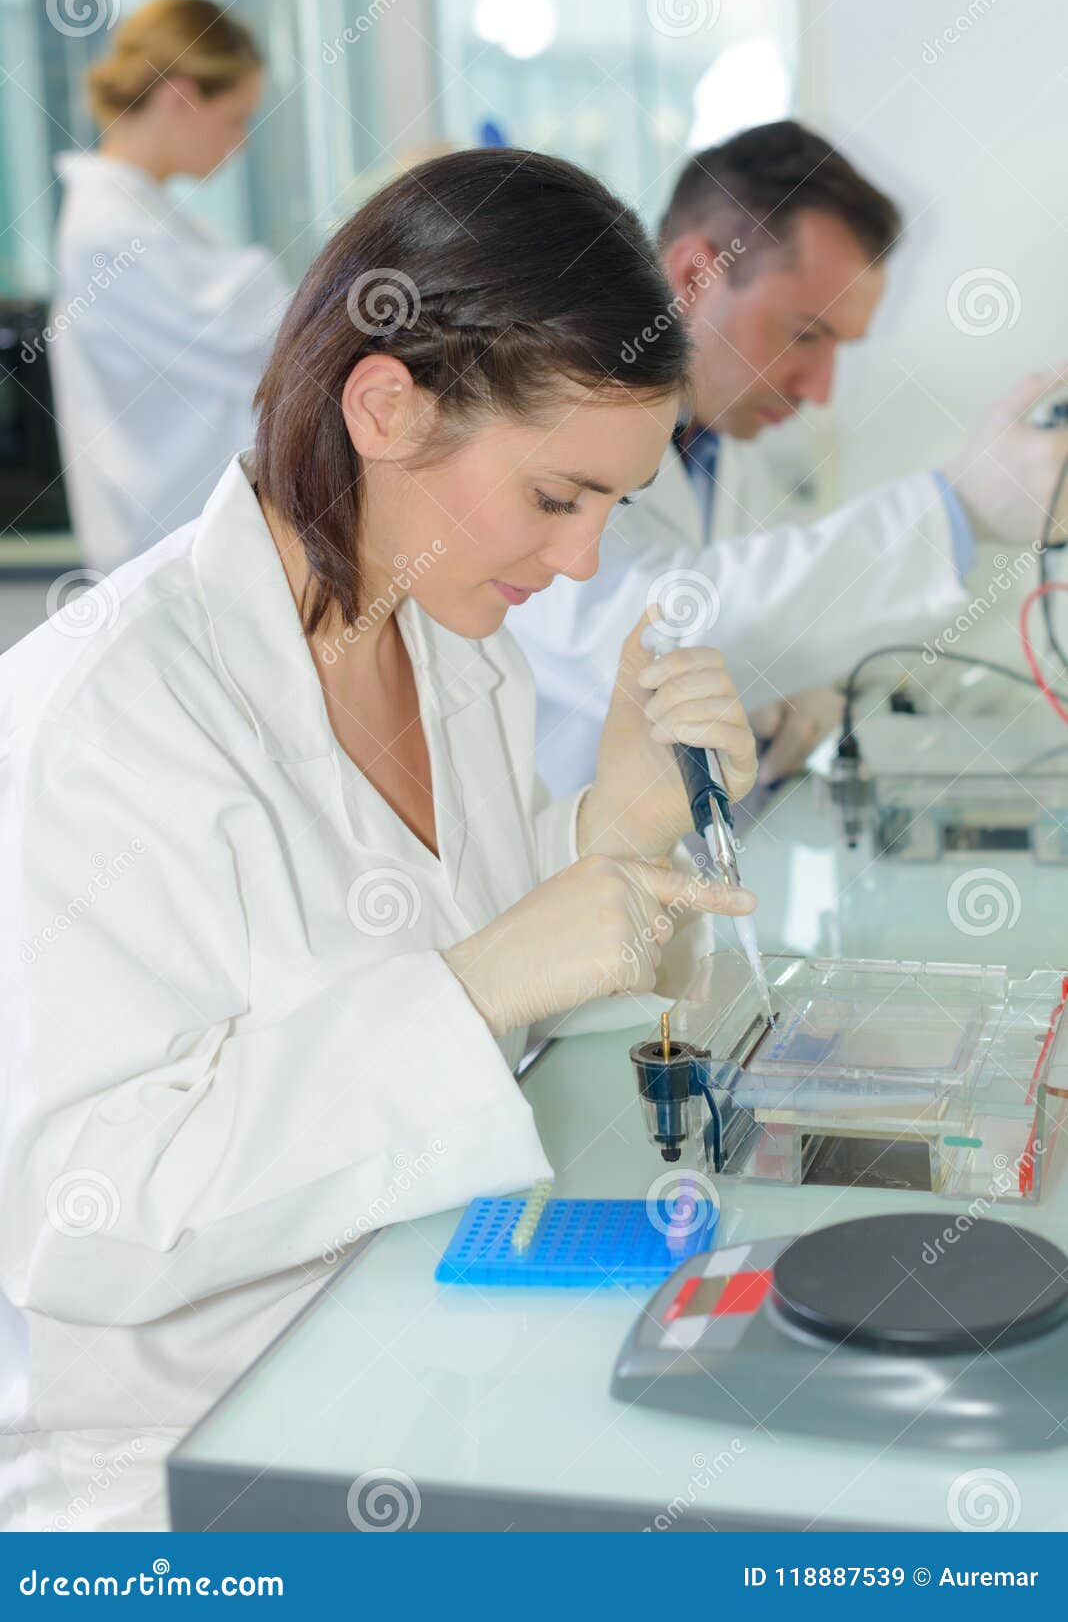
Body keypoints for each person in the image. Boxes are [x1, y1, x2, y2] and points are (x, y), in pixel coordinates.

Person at [0, 148, 758, 1531]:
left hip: (425, 1377)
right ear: (386, 407)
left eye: (616, 503)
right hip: (186, 1486)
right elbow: (81, 1216)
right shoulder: (104, 712)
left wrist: (618, 825)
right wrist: (471, 991)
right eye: (557, 496)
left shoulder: (455, 645)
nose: (584, 560)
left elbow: (476, 973)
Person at [509, 121, 1068, 794]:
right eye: (804, 335)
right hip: (535, 847)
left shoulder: (721, 449)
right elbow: (630, 643)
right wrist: (957, 508)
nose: (820, 388)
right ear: (693, 277)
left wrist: (795, 681)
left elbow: (750, 609)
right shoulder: (552, 419)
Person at [50, 0, 290, 573]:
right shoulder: (111, 233)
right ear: (180, 95)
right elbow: (268, 339)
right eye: (236, 117)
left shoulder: (147, 219)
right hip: (170, 557)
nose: (241, 140)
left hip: (197, 551)